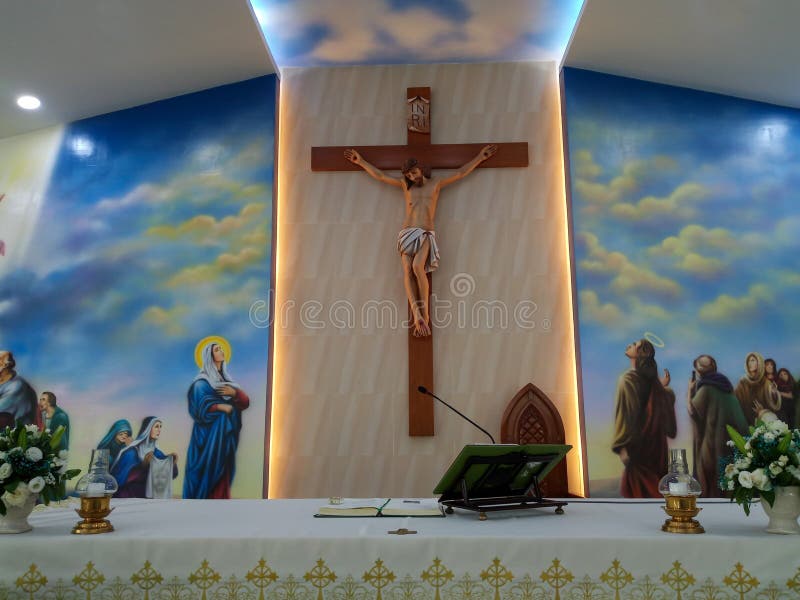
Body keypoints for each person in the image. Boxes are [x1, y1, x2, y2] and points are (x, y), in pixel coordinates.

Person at [344, 144, 497, 337]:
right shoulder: (405, 186)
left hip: (425, 232)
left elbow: (460, 173)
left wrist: (480, 158)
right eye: (408, 175)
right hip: (407, 232)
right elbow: (381, 176)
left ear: (420, 169)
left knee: (418, 267)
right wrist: (361, 162)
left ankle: (425, 314)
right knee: (407, 270)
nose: (412, 177)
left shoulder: (436, 184)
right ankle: (417, 315)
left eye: (414, 172)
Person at [183, 340, 250, 499]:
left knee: (222, 474)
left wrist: (234, 394)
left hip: (224, 441)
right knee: (206, 475)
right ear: (210, 356)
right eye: (217, 350)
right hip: (206, 441)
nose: (221, 351)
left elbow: (245, 402)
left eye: (221, 348)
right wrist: (220, 407)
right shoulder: (202, 382)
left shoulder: (225, 381)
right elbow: (198, 409)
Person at [612, 339, 677, 498]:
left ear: (641, 354)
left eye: (635, 344)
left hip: (638, 448)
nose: (630, 345)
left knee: (640, 493)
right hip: (656, 448)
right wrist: (663, 388)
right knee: (655, 491)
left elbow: (627, 414)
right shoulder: (652, 382)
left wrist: (622, 447)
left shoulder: (627, 380)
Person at [686, 355, 748, 497]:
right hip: (730, 444)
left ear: (699, 371)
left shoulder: (706, 388)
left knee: (710, 481)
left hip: (712, 445)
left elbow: (692, 410)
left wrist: (690, 390)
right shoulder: (727, 388)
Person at [111, 416, 178, 498]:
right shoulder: (131, 452)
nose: (159, 430)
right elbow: (118, 480)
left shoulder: (157, 453)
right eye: (156, 426)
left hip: (150, 497)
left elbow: (172, 475)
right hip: (130, 496)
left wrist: (171, 461)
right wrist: (143, 466)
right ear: (148, 429)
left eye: (160, 427)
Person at [734, 352, 781, 424]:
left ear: (759, 363)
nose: (749, 363)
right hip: (745, 421)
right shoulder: (742, 382)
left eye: (752, 360)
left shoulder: (766, 382)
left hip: (763, 422)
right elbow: (735, 401)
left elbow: (773, 405)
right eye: (748, 361)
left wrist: (774, 394)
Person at [0, 350, 40, 428]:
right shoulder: (3, 381)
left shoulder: (16, 386)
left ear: (4, 366)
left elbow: (3, 417)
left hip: (15, 435)